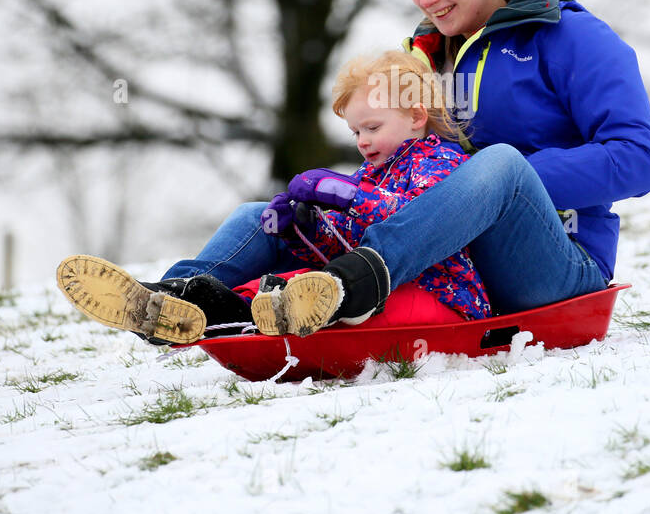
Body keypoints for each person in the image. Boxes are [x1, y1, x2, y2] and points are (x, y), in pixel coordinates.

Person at [60, 0, 650, 343]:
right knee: (267, 213)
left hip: (555, 264)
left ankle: (361, 279)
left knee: (499, 163)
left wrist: (495, 184)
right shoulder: (418, 61)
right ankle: (182, 301)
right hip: (450, 265)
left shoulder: (569, 36)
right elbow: (395, 161)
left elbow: (639, 158)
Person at [56, 49, 490, 342]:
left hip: (438, 294)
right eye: (355, 131)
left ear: (416, 116)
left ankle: (244, 311)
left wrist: (349, 196)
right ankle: (176, 296)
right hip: (374, 283)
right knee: (254, 214)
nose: (361, 141)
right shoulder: (375, 170)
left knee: (305, 288)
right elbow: (350, 242)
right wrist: (305, 227)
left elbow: (417, 219)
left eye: (372, 128)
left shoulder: (441, 161)